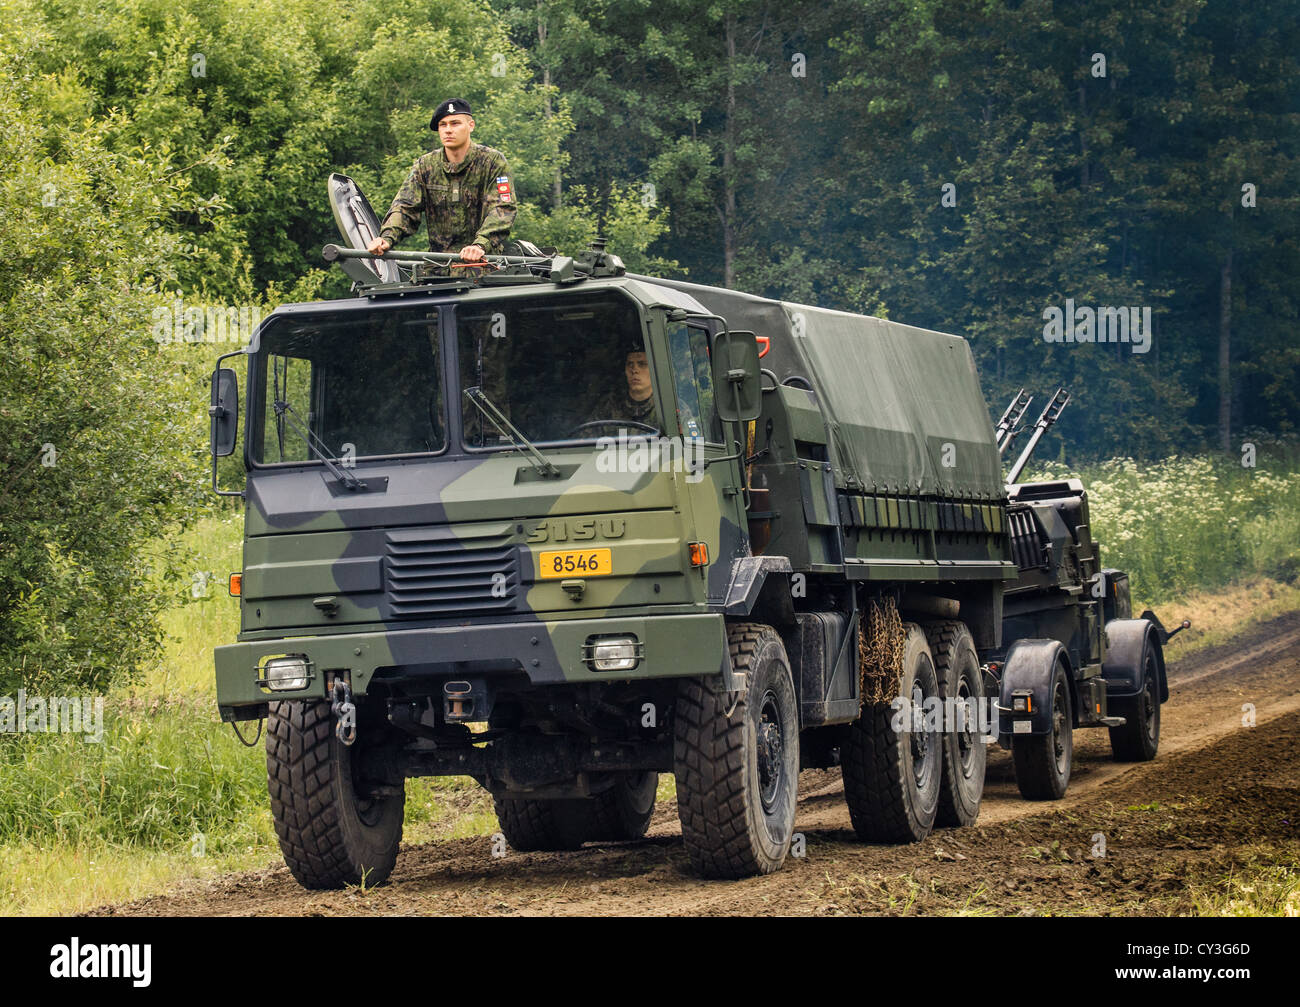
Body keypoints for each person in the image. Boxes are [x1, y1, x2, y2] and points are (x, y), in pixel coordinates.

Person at [367, 99, 516, 263]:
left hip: (485, 265)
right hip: (438, 266)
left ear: (471, 125)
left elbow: (503, 208)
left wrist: (480, 245)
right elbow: (405, 207)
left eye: (455, 123)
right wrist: (387, 238)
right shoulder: (425, 165)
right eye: (443, 125)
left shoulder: (492, 162)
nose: (448, 130)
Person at [589, 342, 661, 432]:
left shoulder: (665, 407)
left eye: (642, 364)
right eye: (630, 364)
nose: (634, 370)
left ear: (654, 369)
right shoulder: (608, 405)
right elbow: (586, 440)